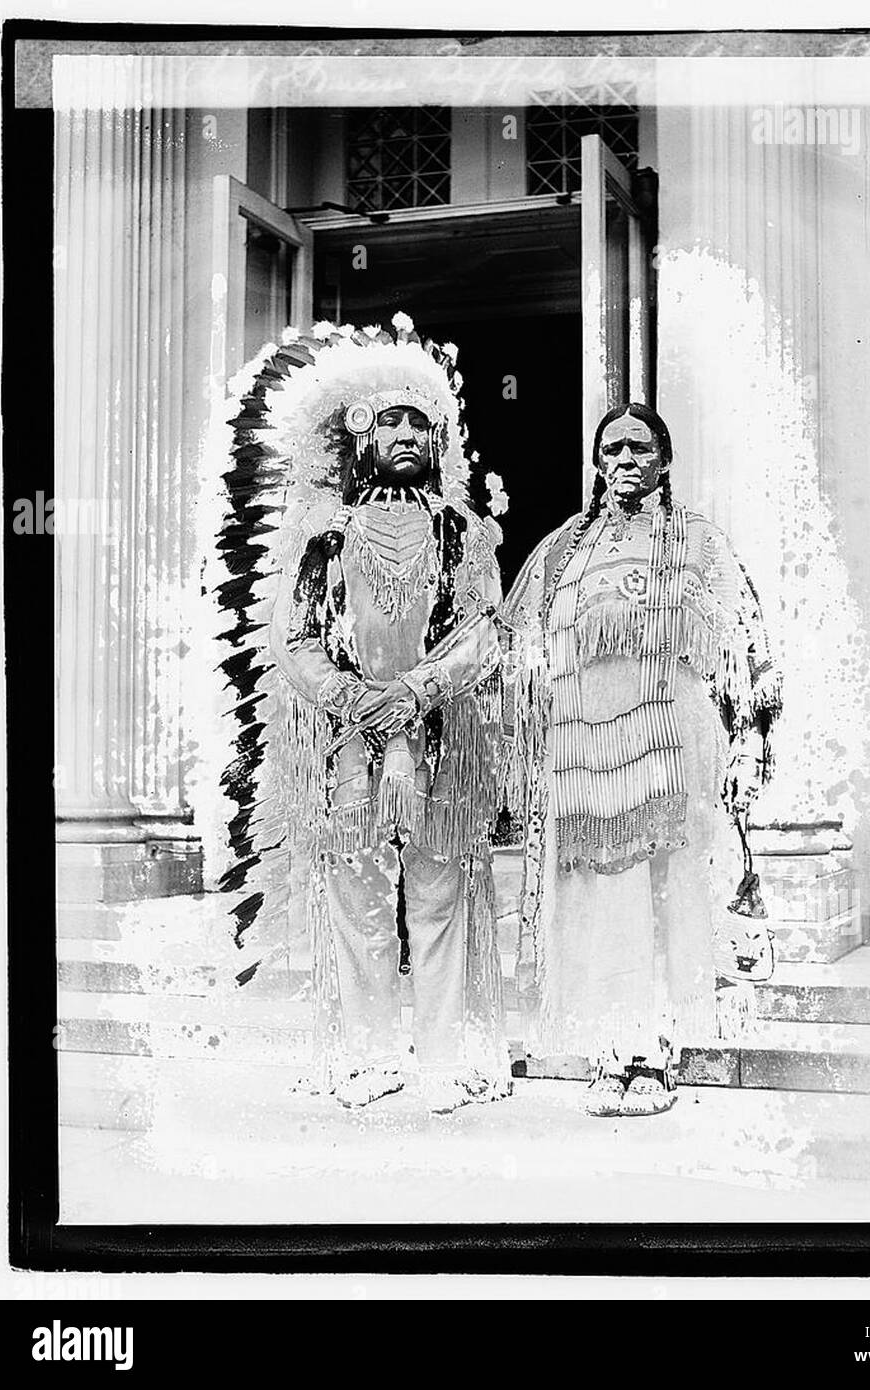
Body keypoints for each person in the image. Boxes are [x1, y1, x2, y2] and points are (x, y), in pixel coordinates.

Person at [364, 403, 781, 1117]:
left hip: (670, 747)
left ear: (663, 460)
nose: (623, 460)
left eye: (638, 447)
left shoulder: (698, 543)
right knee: (595, 904)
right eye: (610, 448)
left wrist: (750, 740)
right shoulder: (561, 550)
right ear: (595, 462)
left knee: (657, 896)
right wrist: (422, 685)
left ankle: (654, 1056)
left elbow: (750, 650)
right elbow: (504, 638)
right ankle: (611, 1054)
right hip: (579, 753)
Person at [212, 314, 510, 1114]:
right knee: (357, 895)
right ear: (360, 438)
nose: (407, 433)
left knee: (441, 895)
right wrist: (355, 700)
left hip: (441, 741)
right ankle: (372, 1054)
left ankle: (447, 1056)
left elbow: (486, 630)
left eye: (421, 422)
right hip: (347, 745)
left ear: (440, 441)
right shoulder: (323, 534)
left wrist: (413, 692)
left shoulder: (464, 532)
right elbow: (295, 638)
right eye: (390, 421)